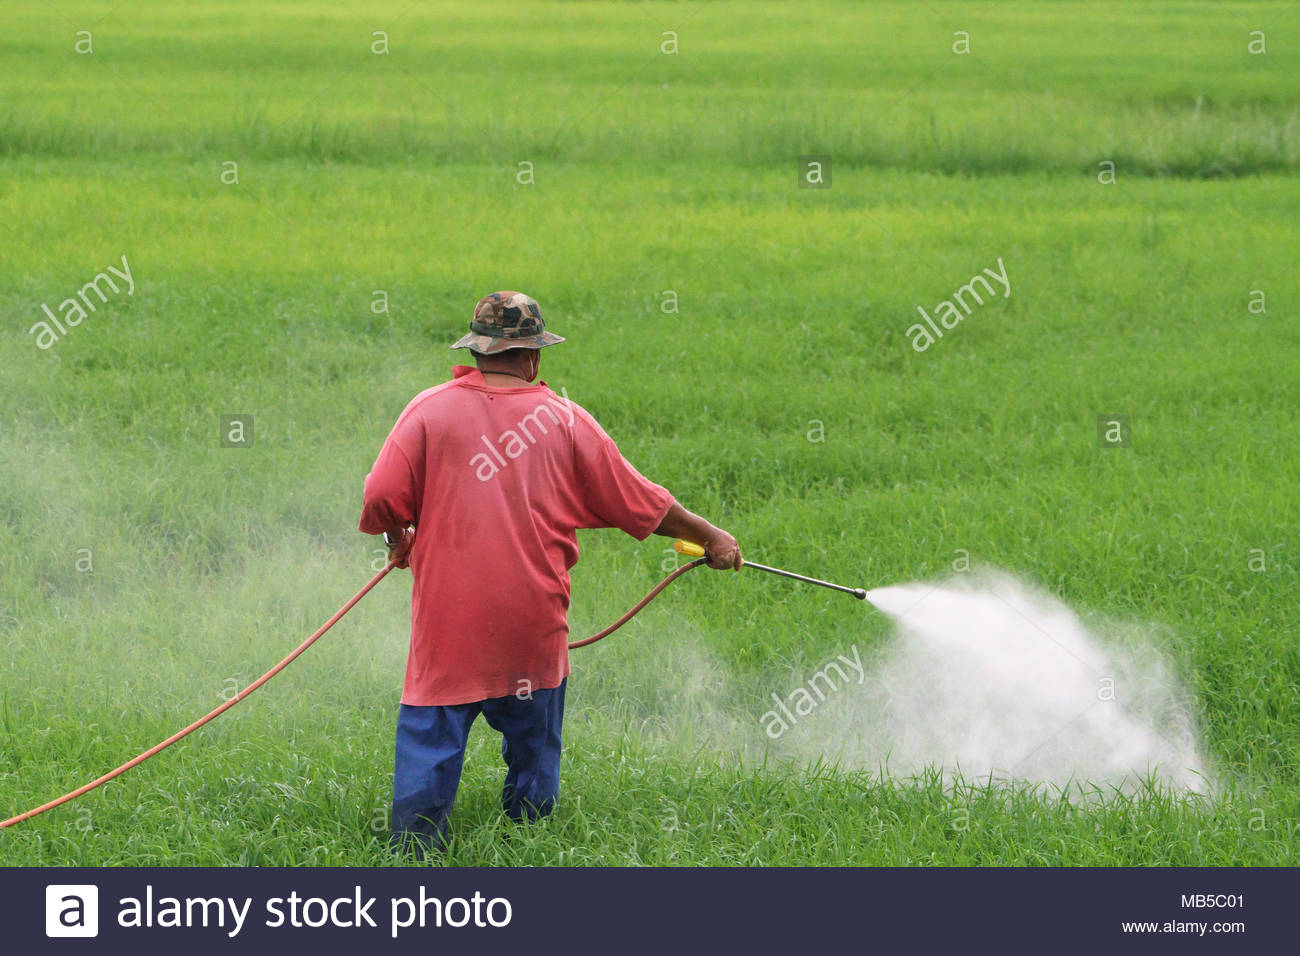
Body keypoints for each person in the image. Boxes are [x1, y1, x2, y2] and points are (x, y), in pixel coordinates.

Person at [358, 290, 740, 856]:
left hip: (449, 628)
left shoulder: (429, 410)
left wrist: (398, 537)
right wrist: (710, 535)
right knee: (534, 741)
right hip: (531, 627)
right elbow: (641, 502)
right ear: (534, 356)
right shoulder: (563, 419)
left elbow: (382, 496)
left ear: (478, 349)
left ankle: (415, 849)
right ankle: (529, 835)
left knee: (431, 737)